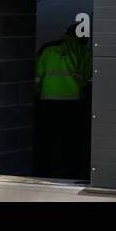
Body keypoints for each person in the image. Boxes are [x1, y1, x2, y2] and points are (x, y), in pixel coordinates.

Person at [34, 23, 92, 179]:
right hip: (73, 104)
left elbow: (36, 76)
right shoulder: (84, 51)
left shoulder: (48, 48)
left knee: (47, 141)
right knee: (71, 143)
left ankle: (44, 173)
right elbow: (87, 76)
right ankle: (70, 175)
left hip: (48, 103)